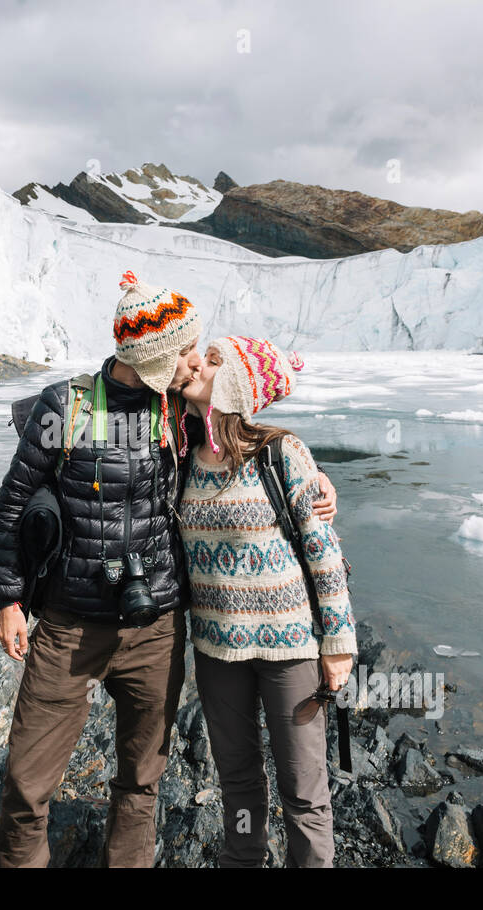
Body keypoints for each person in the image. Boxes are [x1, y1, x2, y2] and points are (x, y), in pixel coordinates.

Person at [0, 271, 340, 867]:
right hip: (69, 623)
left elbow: (247, 426)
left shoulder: (176, 409)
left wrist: (319, 479)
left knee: (141, 782)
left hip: (156, 629)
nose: (195, 362)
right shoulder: (65, 406)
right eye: (184, 353)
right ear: (152, 362)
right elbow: (14, 501)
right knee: (26, 782)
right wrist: (9, 600)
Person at [177, 335, 356, 867]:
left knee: (303, 788)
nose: (194, 367)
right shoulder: (182, 454)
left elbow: (321, 551)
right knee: (237, 782)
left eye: (210, 362)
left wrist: (339, 644)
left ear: (233, 379)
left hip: (291, 652)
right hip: (215, 650)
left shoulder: (281, 452)